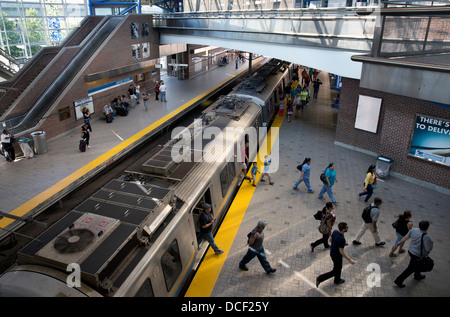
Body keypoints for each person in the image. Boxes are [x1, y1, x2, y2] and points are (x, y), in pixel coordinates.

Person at [394, 220, 433, 288]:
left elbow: (406, 237)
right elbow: (428, 249)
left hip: (411, 251)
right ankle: (398, 280)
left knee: (416, 265)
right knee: (410, 269)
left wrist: (400, 242)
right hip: (417, 255)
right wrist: (432, 244)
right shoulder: (426, 237)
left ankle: (417, 275)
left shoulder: (414, 230)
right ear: (427, 228)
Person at [316, 222, 355, 287]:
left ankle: (337, 279)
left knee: (338, 268)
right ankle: (320, 278)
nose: (347, 228)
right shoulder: (342, 239)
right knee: (335, 271)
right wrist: (350, 260)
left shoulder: (335, 232)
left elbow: (330, 240)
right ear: (343, 229)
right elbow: (341, 251)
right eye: (346, 227)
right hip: (337, 256)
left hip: (332, 252)